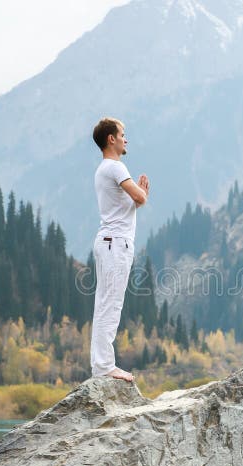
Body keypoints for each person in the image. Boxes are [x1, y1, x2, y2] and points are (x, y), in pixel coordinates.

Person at [90, 117, 149, 382]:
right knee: (111, 304)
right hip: (116, 244)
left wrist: (139, 198)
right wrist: (142, 194)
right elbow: (138, 196)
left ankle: (100, 365)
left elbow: (129, 205)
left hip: (109, 241)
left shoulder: (103, 169)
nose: (126, 139)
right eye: (123, 134)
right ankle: (105, 366)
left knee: (105, 303)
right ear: (111, 139)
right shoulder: (115, 167)